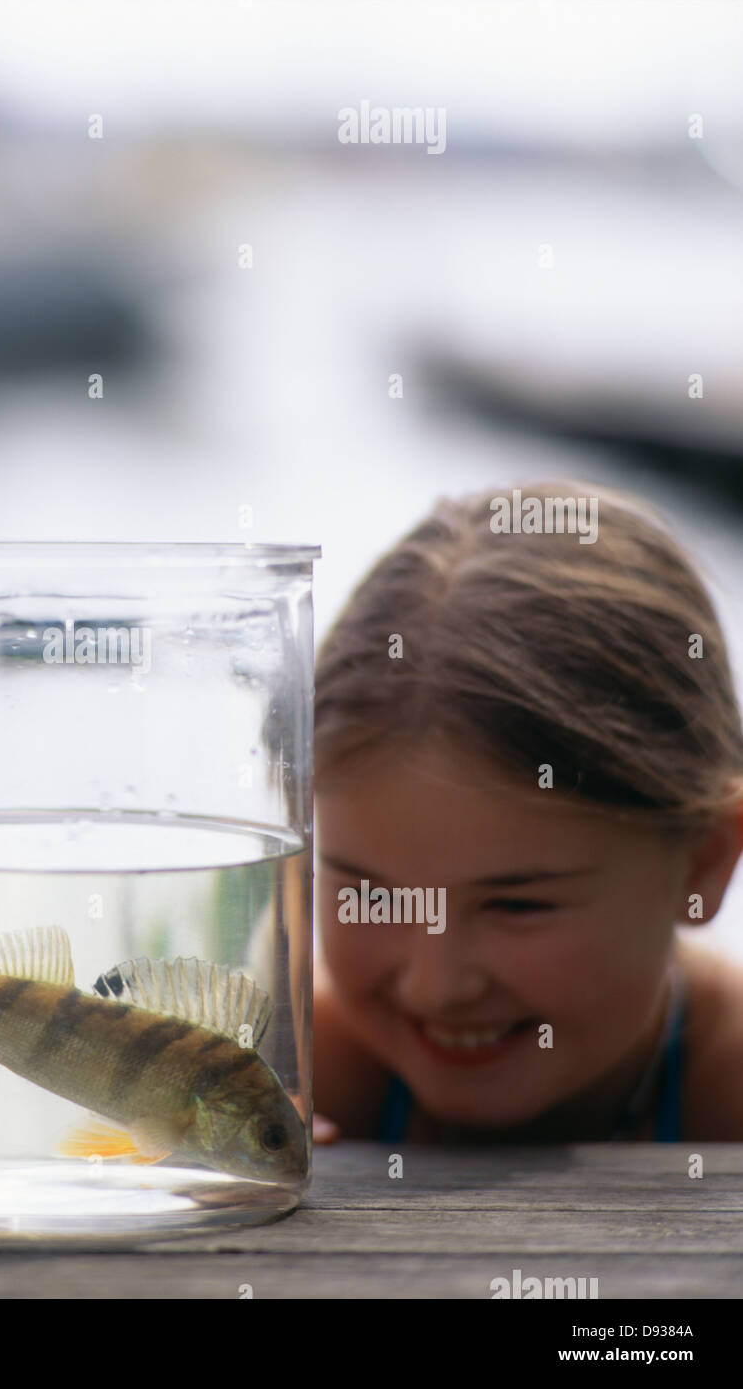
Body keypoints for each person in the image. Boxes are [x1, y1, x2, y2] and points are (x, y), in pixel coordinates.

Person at [312, 480, 743, 1142]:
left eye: (516, 905)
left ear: (704, 861)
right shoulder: (289, 1081)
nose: (435, 987)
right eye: (372, 899)